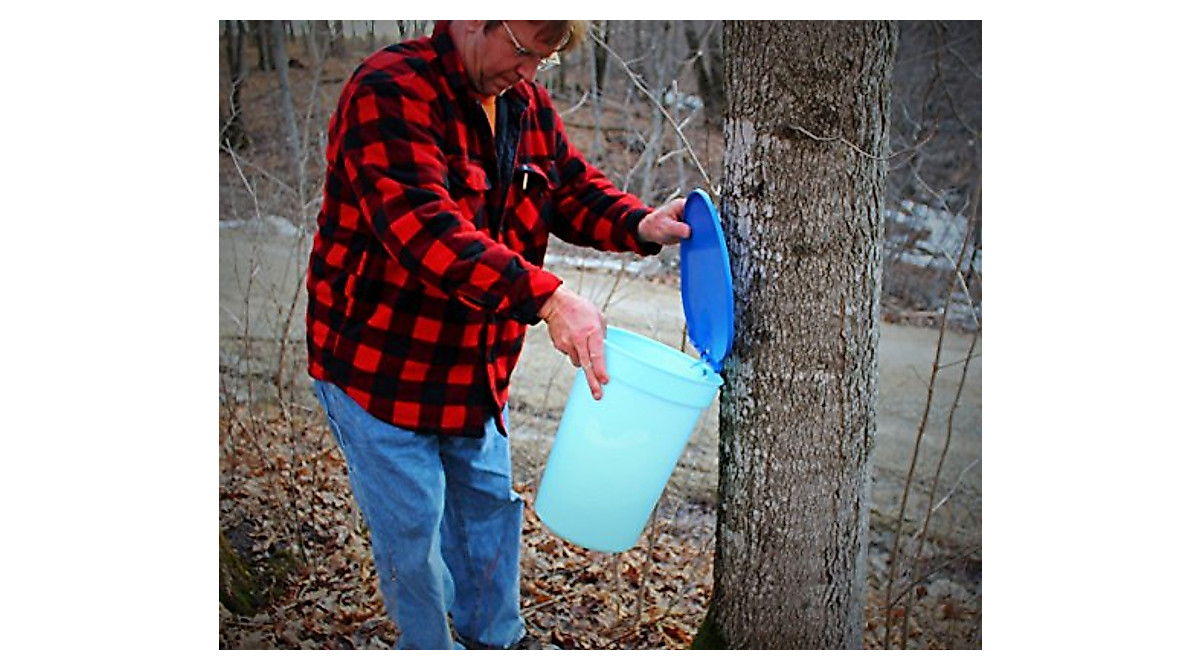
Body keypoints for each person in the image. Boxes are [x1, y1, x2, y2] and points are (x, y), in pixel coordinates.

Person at [305, 20, 691, 650]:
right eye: (523, 51)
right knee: (412, 538)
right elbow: (425, 231)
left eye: (544, 59)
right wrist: (548, 297)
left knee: (487, 510)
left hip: (475, 375)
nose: (531, 73)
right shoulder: (390, 90)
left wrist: (640, 223)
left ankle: (496, 644)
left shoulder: (523, 102)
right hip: (379, 371)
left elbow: (568, 188)